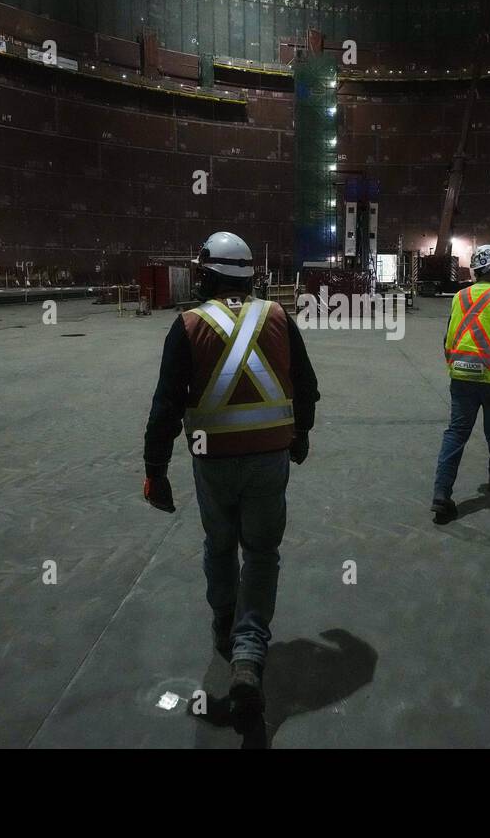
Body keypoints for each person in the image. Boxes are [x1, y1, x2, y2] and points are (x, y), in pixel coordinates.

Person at [142, 231, 320, 720]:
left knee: (220, 547)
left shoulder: (188, 325)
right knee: (262, 553)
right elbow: (306, 385)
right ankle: (248, 654)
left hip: (213, 460)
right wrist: (300, 434)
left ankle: (225, 625)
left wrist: (155, 470)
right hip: (269, 459)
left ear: (206, 273)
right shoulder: (279, 317)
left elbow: (165, 406)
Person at [430, 244, 490, 523]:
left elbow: (448, 338)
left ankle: (441, 495)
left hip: (460, 377)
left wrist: (455, 365)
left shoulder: (459, 296)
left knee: (456, 434)